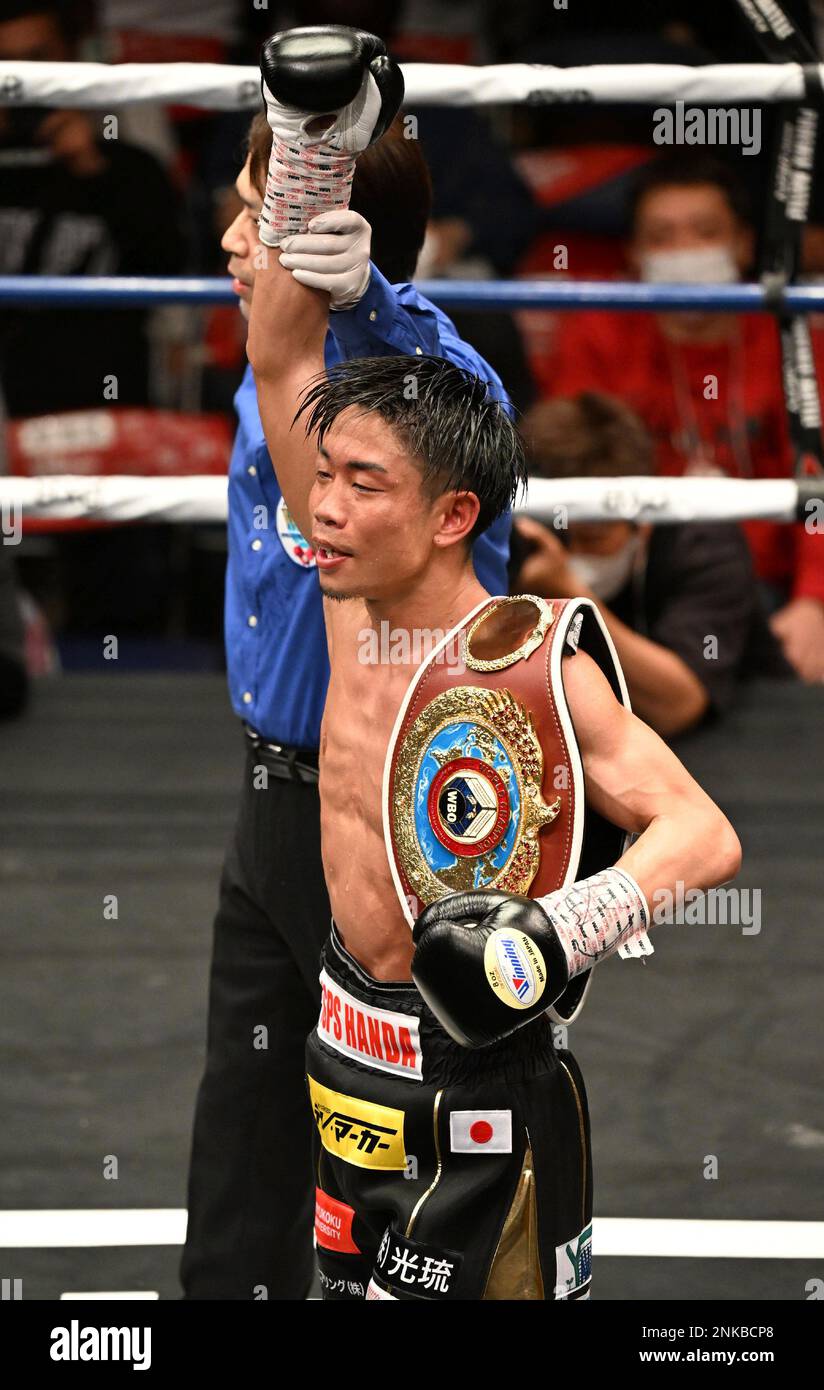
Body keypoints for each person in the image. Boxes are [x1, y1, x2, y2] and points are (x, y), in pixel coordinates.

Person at [246, 24, 742, 1300]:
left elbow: (698, 835)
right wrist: (312, 149)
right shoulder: (348, 602)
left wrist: (553, 928)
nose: (326, 512)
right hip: (346, 1043)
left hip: (483, 1077)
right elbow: (279, 352)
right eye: (326, 482)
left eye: (363, 485)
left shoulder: (521, 659)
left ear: (452, 514)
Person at [180, 69, 513, 1298]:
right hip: (269, 809)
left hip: (390, 822)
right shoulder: (266, 372)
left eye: (257, 215)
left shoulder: (437, 398)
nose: (229, 240)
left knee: (399, 1152)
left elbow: (458, 408)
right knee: (239, 1151)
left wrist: (365, 289)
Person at [547, 156, 824, 684]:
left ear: (742, 244)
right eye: (662, 236)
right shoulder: (596, 334)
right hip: (634, 579)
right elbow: (569, 463)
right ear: (634, 252)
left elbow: (819, 474)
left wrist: (816, 600)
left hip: (771, 591)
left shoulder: (794, 340)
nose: (683, 252)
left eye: (704, 233)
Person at [512, 393, 794, 737]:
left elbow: (679, 705)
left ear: (642, 524)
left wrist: (568, 590)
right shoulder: (511, 550)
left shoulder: (704, 541)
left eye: (592, 538)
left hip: (759, 740)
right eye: (558, 534)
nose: (569, 554)